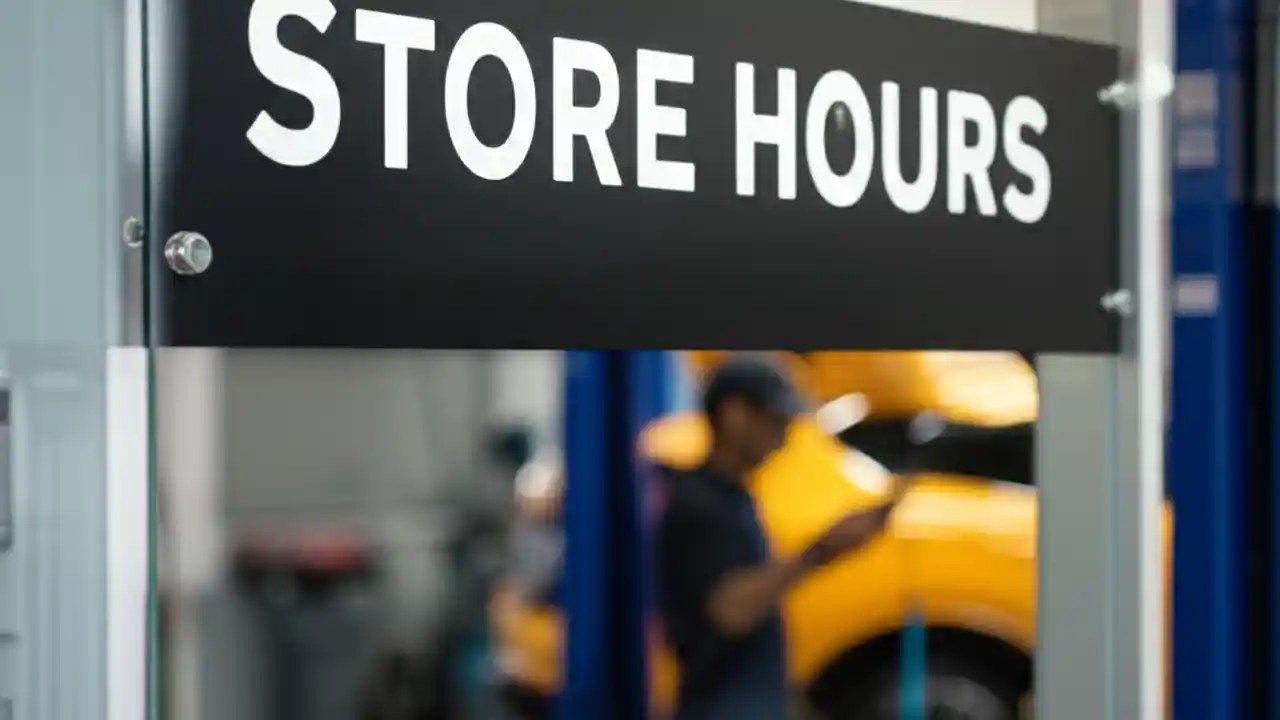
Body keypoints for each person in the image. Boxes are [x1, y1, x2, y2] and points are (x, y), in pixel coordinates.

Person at [657, 356, 907, 720]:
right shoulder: (699, 505)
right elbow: (730, 610)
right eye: (775, 420)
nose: (785, 435)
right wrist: (821, 550)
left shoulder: (737, 497)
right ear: (734, 414)